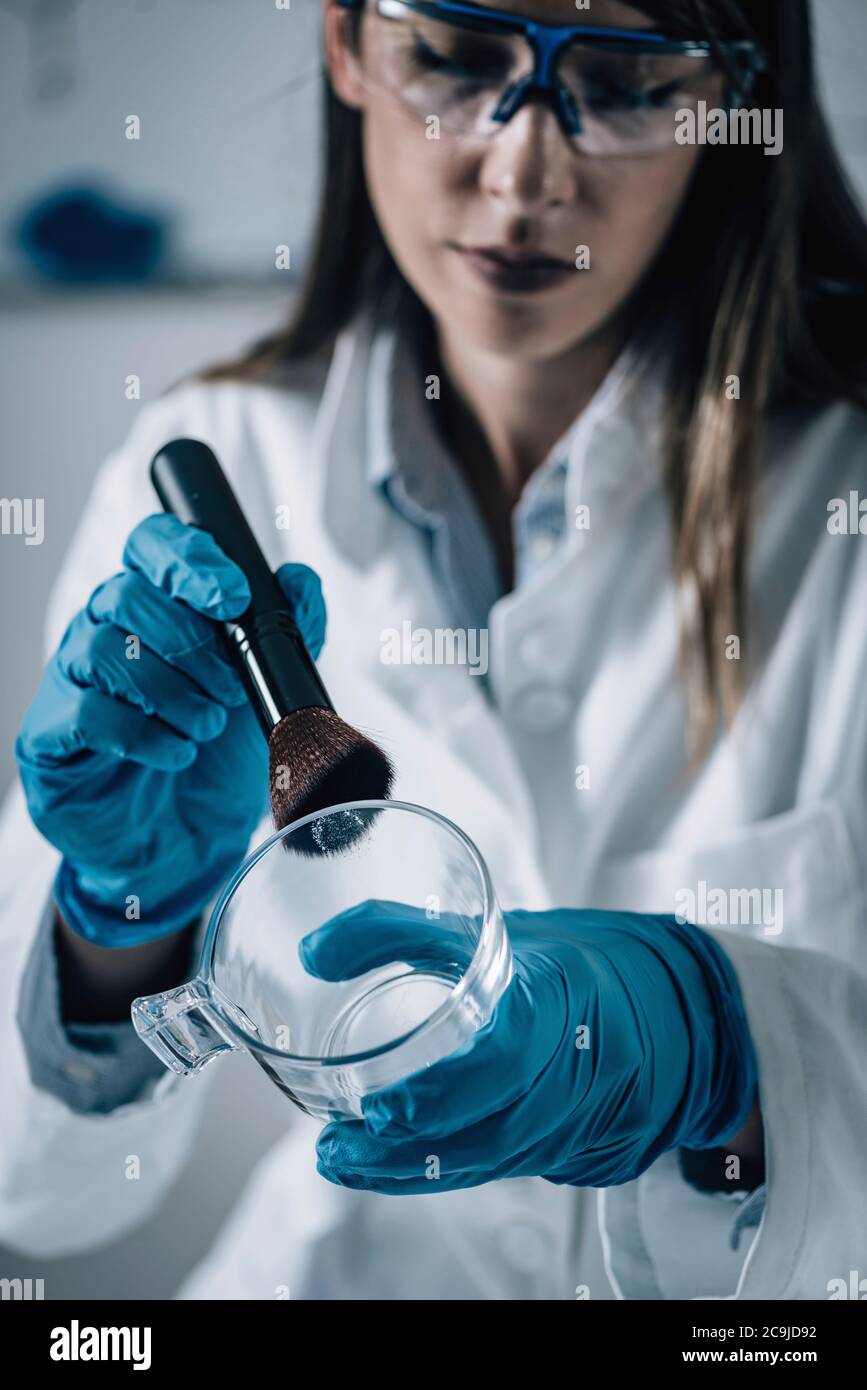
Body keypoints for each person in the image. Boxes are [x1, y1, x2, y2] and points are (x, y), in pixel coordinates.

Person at [2, 0, 866, 1301]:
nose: (522, 170)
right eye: (456, 62)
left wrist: (730, 1054)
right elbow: (41, 1192)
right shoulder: (209, 469)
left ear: (730, 103)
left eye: (627, 82)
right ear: (349, 45)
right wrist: (121, 920)